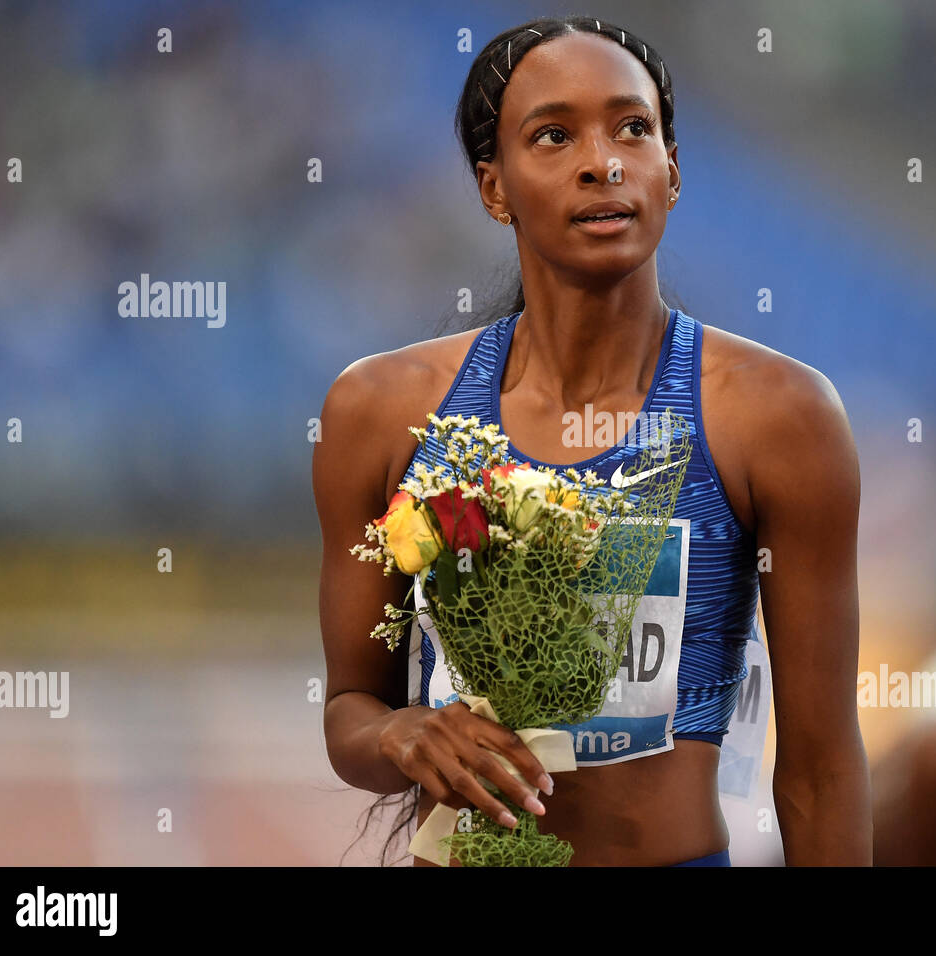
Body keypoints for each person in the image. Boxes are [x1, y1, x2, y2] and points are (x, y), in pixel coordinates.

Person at [312, 16, 868, 866]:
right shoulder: (383, 412)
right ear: (494, 190)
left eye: (633, 128)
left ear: (671, 173)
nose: (603, 161)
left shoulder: (779, 416)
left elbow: (822, 773)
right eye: (554, 135)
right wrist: (404, 734)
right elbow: (352, 705)